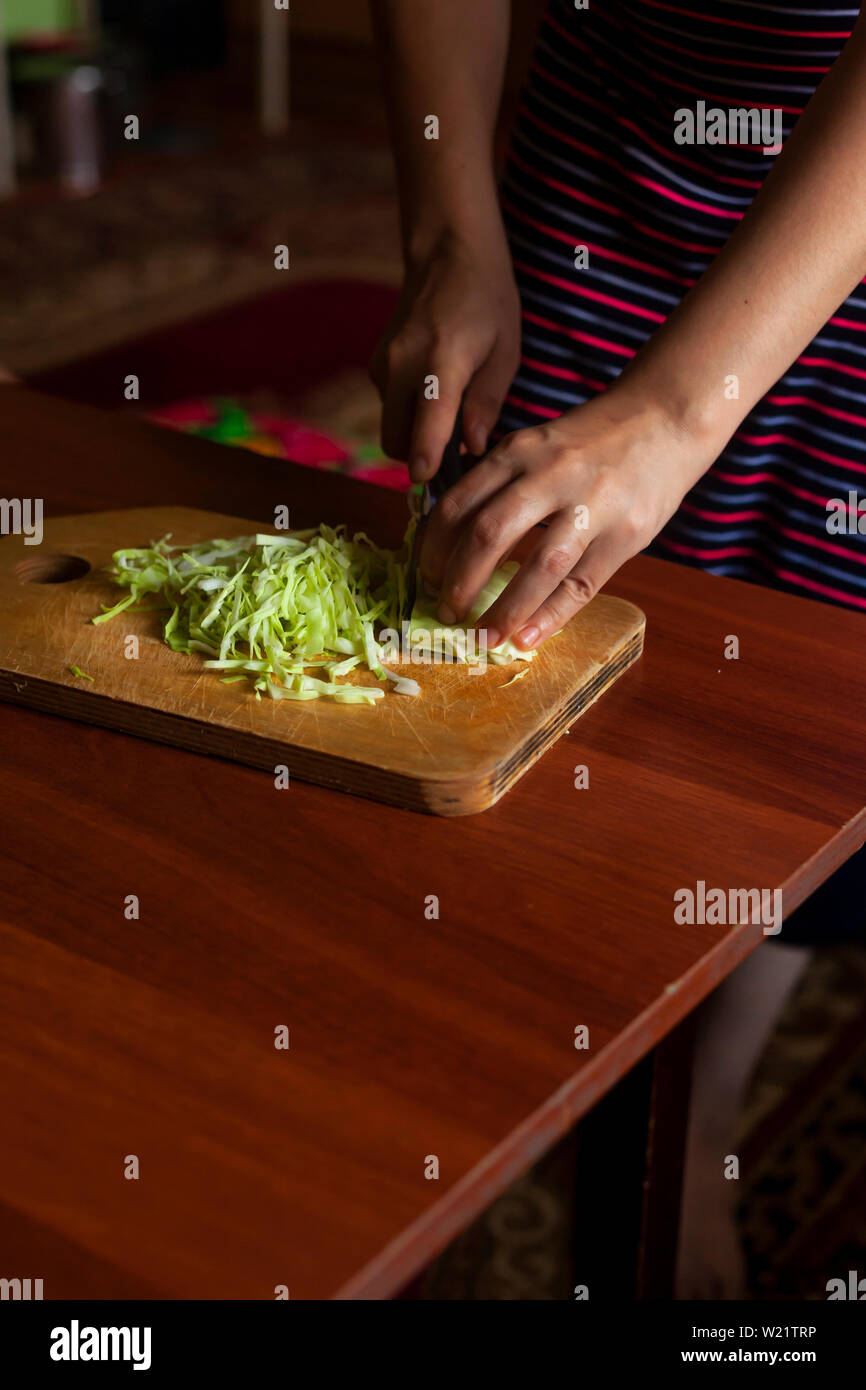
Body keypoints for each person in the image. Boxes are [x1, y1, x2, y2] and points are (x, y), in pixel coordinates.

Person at [369, 0, 866, 1298]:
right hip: (612, 152)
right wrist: (448, 229)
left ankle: (692, 1115)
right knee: (527, 624)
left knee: (816, 734)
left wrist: (681, 405)